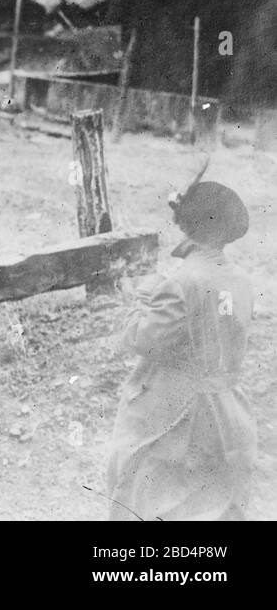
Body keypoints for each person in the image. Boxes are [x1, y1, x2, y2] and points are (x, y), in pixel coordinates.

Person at [105, 172, 256, 520]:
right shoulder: (242, 280)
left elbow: (145, 340)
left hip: (176, 408)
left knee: (146, 486)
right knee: (215, 497)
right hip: (227, 407)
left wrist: (138, 303)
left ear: (188, 228)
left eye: (176, 221)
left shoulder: (181, 281)